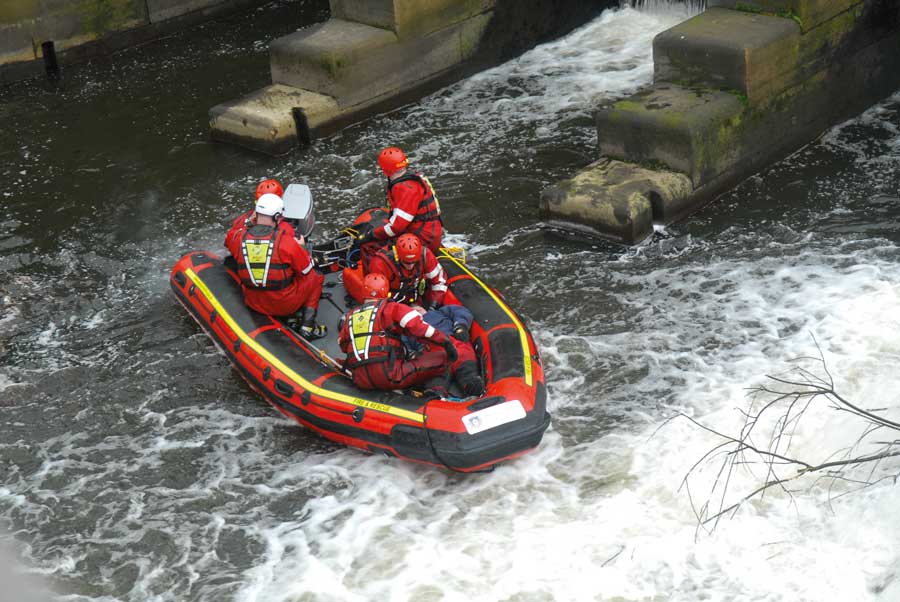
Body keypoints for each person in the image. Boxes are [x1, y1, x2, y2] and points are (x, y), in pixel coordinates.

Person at [224, 193, 325, 339]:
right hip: (284, 304)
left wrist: (247, 223)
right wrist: (302, 248)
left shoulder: (238, 238)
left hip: (254, 303)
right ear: (277, 217)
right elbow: (306, 269)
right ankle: (307, 326)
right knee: (316, 276)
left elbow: (228, 238)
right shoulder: (286, 242)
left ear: (256, 215)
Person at [339, 273, 457, 393]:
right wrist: (445, 341)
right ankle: (436, 394)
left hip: (361, 380)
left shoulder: (350, 317)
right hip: (391, 376)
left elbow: (343, 346)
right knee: (443, 358)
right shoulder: (393, 308)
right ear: (386, 292)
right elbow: (421, 329)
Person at [359, 147, 443, 253]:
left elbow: (396, 227)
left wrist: (372, 235)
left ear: (385, 170)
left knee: (368, 246)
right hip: (430, 232)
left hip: (423, 238)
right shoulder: (414, 177)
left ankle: (378, 268)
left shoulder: (405, 188)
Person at [365, 233, 447, 309]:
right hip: (391, 305)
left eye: (414, 262)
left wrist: (433, 307)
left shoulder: (425, 255)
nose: (410, 266)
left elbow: (439, 281)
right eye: (406, 263)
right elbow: (377, 299)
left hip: (415, 301)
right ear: (398, 255)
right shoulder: (380, 264)